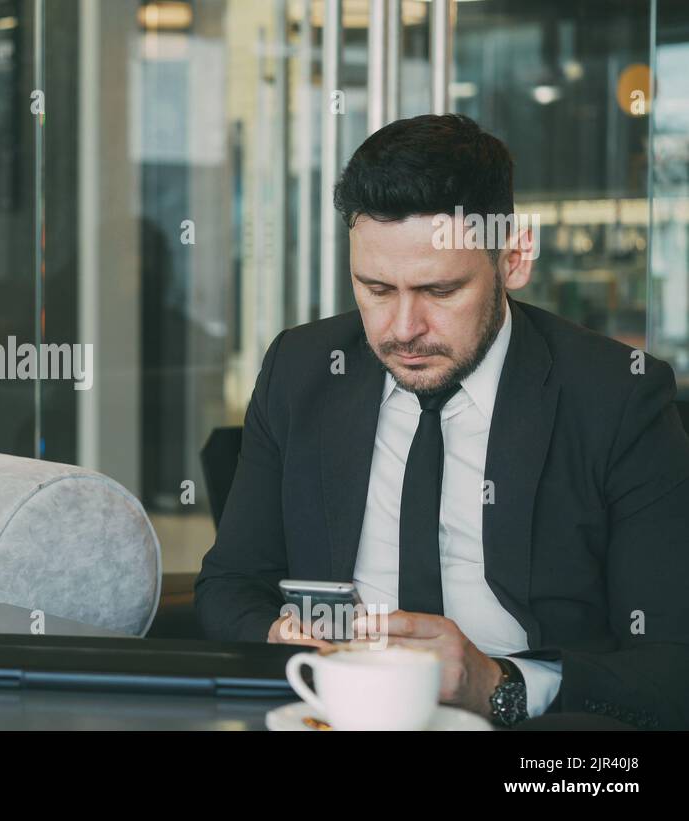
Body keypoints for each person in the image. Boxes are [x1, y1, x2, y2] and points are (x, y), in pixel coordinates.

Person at [195, 113, 689, 729]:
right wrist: (282, 637)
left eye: (440, 291)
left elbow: (672, 664)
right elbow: (229, 584)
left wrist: (497, 685)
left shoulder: (617, 396)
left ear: (513, 258)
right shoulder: (303, 371)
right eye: (375, 288)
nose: (403, 329)